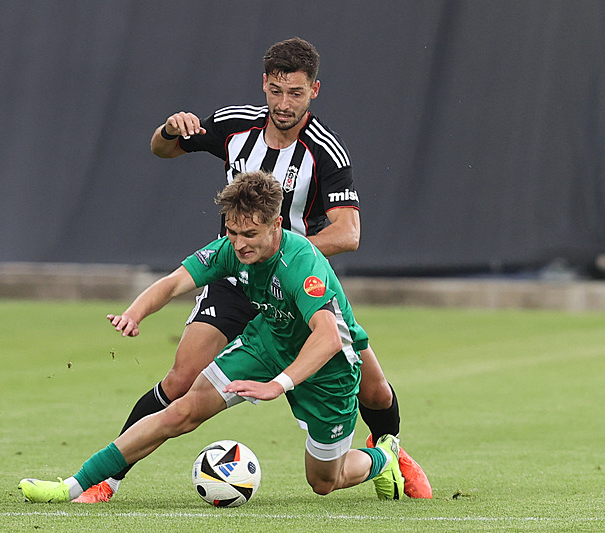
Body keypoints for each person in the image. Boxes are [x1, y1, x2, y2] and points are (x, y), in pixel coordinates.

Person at [75, 37, 431, 503]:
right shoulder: (233, 126)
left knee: (376, 389)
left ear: (314, 91)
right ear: (264, 84)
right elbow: (164, 150)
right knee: (180, 381)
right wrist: (168, 130)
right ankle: (109, 478)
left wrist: (280, 255)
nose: (285, 104)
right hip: (235, 279)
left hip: (296, 283)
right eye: (277, 91)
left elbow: (348, 233)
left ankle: (391, 453)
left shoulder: (325, 153)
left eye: (296, 94)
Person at [20, 171, 407, 503]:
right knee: (181, 411)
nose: (239, 244)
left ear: (276, 225)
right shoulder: (232, 249)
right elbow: (175, 282)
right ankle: (72, 486)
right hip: (266, 345)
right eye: (233, 232)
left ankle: (383, 458)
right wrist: (135, 312)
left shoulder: (300, 262)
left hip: (327, 370)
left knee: (325, 481)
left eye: (250, 234)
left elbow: (327, 338)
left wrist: (279, 384)